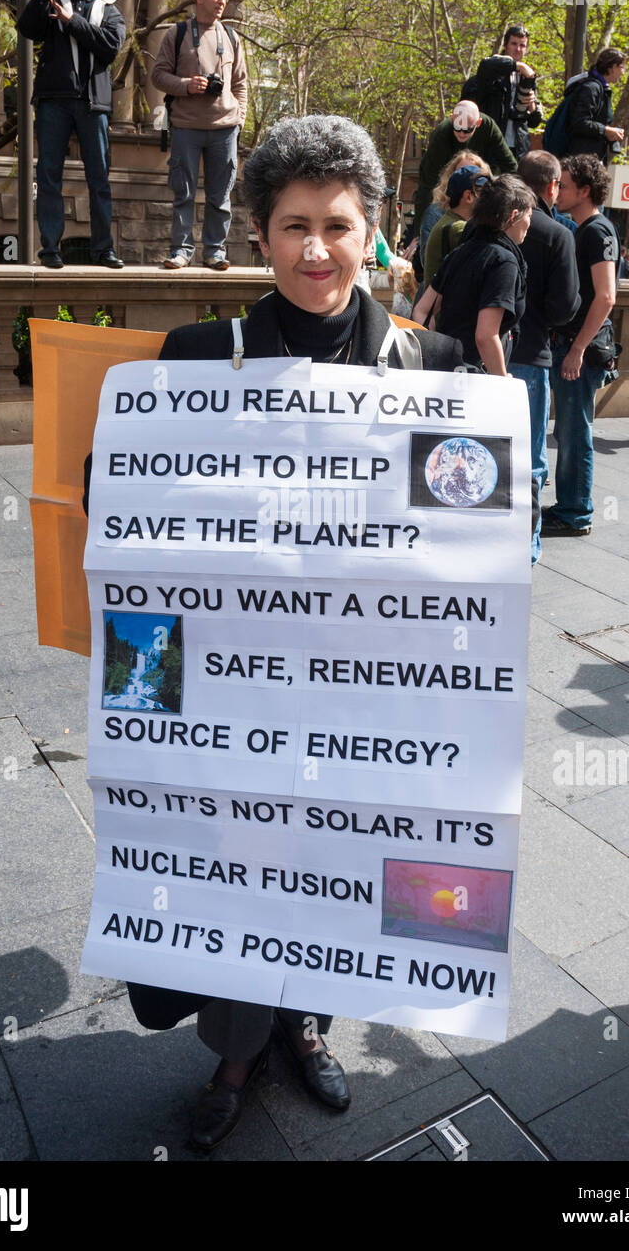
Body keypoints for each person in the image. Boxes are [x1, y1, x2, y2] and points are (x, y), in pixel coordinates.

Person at [119, 115, 469, 1153]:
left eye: (338, 225)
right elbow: (132, 522)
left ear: (375, 237)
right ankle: (234, 1047)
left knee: (342, 867)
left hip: (370, 699)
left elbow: (468, 549)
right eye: (293, 226)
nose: (317, 249)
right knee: (240, 864)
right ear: (261, 237)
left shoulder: (436, 366)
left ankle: (311, 1022)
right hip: (235, 694)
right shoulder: (194, 358)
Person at [17, 0, 125, 269]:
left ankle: (104, 250)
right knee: (49, 174)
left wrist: (72, 22)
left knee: (99, 178)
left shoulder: (109, 7)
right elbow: (27, 29)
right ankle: (50, 249)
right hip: (54, 102)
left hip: (94, 104)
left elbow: (110, 47)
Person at [541, 154, 619, 537]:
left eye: (566, 185)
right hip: (573, 343)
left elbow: (606, 297)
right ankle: (570, 506)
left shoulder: (596, 231)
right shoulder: (582, 228)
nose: (558, 191)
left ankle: (575, 512)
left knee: (573, 432)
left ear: (585, 191)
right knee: (570, 431)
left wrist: (577, 349)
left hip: (579, 347)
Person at [511, 151, 581, 563]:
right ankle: (528, 545)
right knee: (532, 455)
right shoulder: (557, 234)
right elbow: (563, 307)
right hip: (531, 354)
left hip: (484, 353)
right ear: (552, 185)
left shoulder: (485, 225)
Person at [152, 0, 248, 270]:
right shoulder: (176, 33)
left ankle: (214, 251)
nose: (222, 1)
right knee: (184, 193)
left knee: (221, 197)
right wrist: (186, 85)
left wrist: (239, 119)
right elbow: (158, 75)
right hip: (186, 127)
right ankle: (181, 250)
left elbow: (241, 84)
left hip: (225, 130)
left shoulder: (232, 37)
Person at [412, 174, 535, 375]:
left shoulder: (459, 253)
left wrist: (430, 356)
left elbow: (421, 310)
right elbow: (486, 336)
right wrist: (501, 383)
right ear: (513, 216)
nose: (530, 223)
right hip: (476, 379)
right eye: (529, 215)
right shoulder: (504, 262)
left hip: (446, 371)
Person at [413, 100, 516, 225]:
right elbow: (427, 182)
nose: (461, 134)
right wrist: (418, 231)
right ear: (452, 119)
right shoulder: (441, 134)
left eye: (467, 130)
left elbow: (510, 166)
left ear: (478, 123)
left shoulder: (488, 127)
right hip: (447, 193)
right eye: (457, 128)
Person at [461, 23, 543, 159]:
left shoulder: (527, 78)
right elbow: (486, 65)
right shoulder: (491, 73)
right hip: (490, 146)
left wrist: (531, 104)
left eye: (522, 45)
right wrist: (519, 65)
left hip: (517, 149)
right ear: (505, 45)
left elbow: (534, 122)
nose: (518, 49)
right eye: (514, 44)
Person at [422, 163, 489, 288]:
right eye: (484, 191)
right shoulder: (458, 228)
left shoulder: (450, 221)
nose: (489, 197)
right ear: (468, 196)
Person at [565, 48, 627, 164]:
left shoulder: (601, 88)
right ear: (613, 67)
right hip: (582, 161)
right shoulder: (591, 88)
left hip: (591, 159)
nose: (623, 73)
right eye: (622, 67)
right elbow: (579, 123)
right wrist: (605, 130)